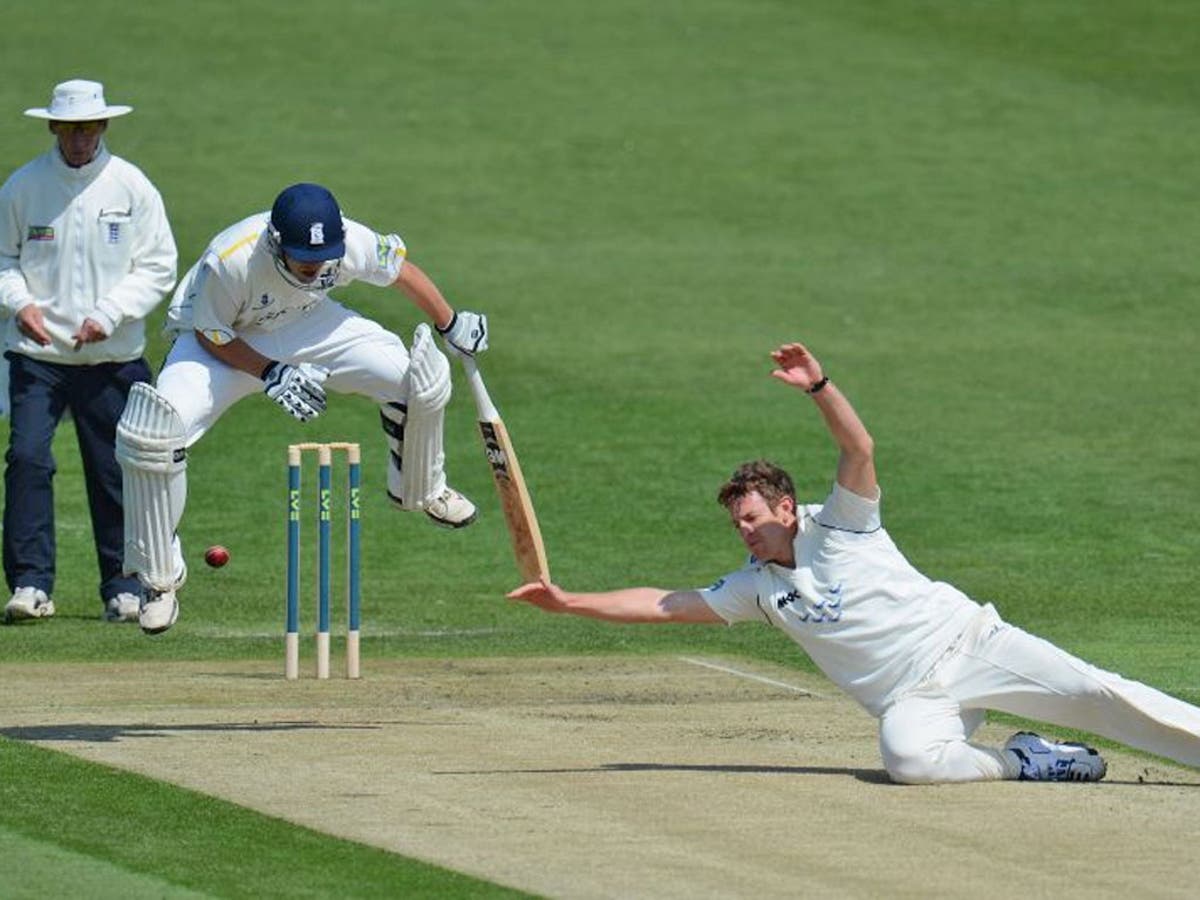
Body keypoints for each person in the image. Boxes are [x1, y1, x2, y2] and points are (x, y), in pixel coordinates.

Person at [510, 340, 1200, 784]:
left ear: (785, 509)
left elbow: (859, 449)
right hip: (913, 700)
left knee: (1100, 696)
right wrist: (568, 602)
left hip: (969, 647)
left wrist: (820, 387)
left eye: (750, 518)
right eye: (736, 524)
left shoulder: (842, 525)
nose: (743, 533)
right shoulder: (758, 588)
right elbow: (666, 603)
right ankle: (1026, 760)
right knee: (906, 761)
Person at [117, 182, 488, 635]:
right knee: (155, 430)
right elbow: (212, 335)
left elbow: (401, 272)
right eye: (303, 258)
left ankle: (421, 486)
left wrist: (450, 323)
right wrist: (271, 372)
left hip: (307, 322)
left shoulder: (349, 242)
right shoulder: (233, 258)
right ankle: (158, 580)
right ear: (276, 243)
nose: (314, 267)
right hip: (219, 341)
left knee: (416, 379)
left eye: (322, 258)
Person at [0, 79, 177, 625]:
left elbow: (158, 266)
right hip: (38, 354)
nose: (80, 139)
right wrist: (20, 303)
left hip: (112, 356)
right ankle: (31, 585)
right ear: (54, 127)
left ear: (103, 127)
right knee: (27, 459)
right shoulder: (24, 186)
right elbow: (3, 259)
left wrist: (110, 314)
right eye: (70, 128)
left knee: (115, 470)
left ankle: (124, 586)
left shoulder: (131, 186)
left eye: (89, 128)